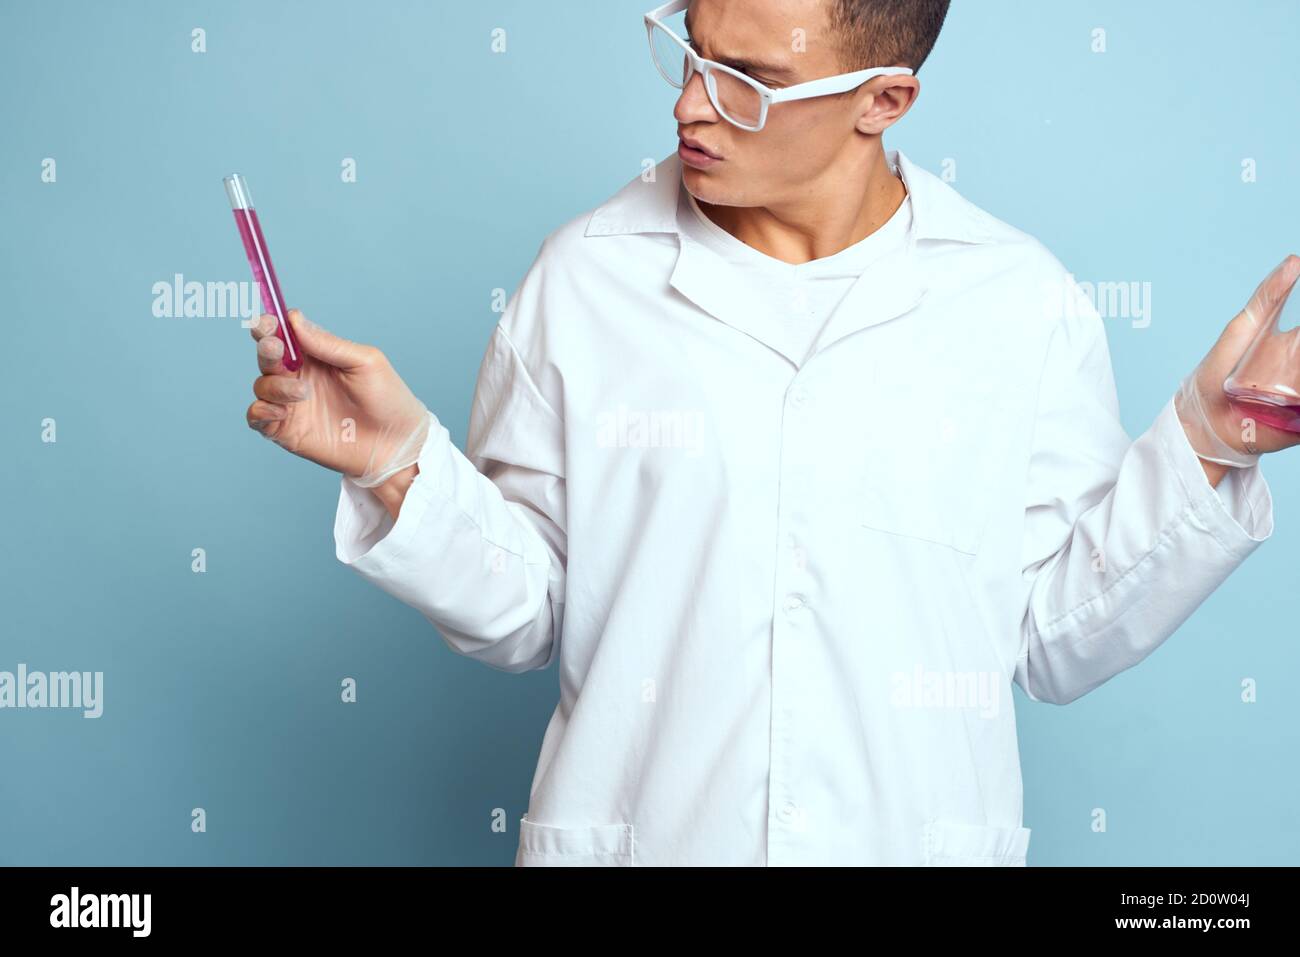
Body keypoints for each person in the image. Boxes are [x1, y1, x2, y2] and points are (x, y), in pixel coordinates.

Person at [243, 0, 1294, 866]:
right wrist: (397, 465)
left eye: (744, 79)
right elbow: (531, 613)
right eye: (689, 50)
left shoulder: (1018, 302)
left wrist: (1209, 443)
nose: (689, 104)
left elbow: (1052, 640)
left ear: (883, 101)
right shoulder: (586, 277)